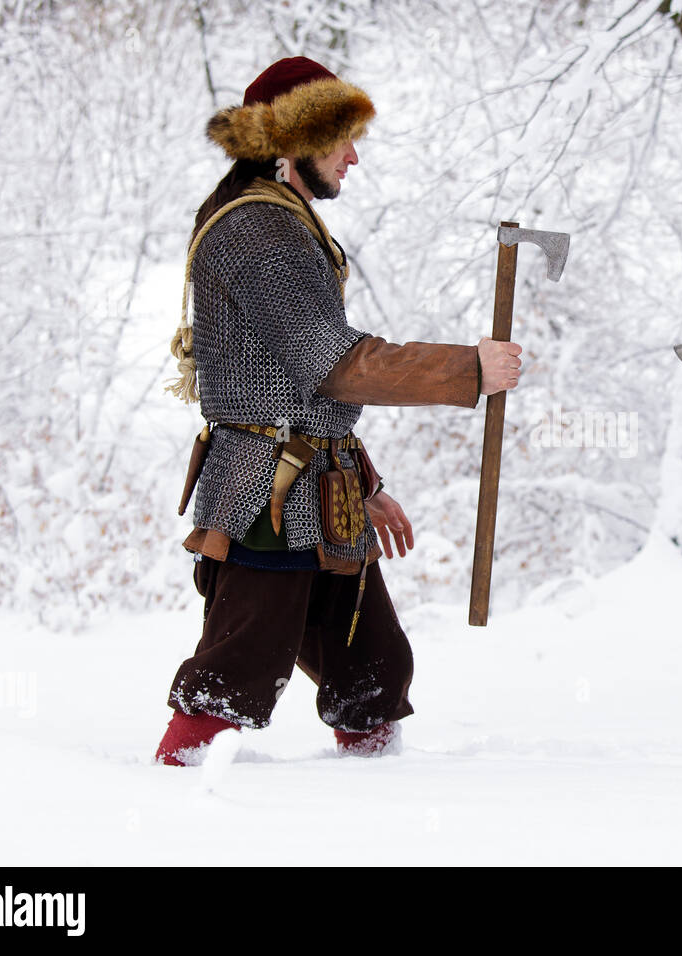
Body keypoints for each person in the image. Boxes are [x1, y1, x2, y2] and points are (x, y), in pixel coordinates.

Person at [154, 57, 523, 766]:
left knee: (372, 668)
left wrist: (365, 480)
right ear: (292, 142)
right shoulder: (259, 232)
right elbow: (334, 362)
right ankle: (176, 792)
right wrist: (467, 368)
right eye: (340, 139)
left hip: (322, 488)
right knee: (239, 666)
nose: (353, 156)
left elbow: (306, 387)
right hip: (267, 487)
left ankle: (374, 795)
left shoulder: (287, 220)